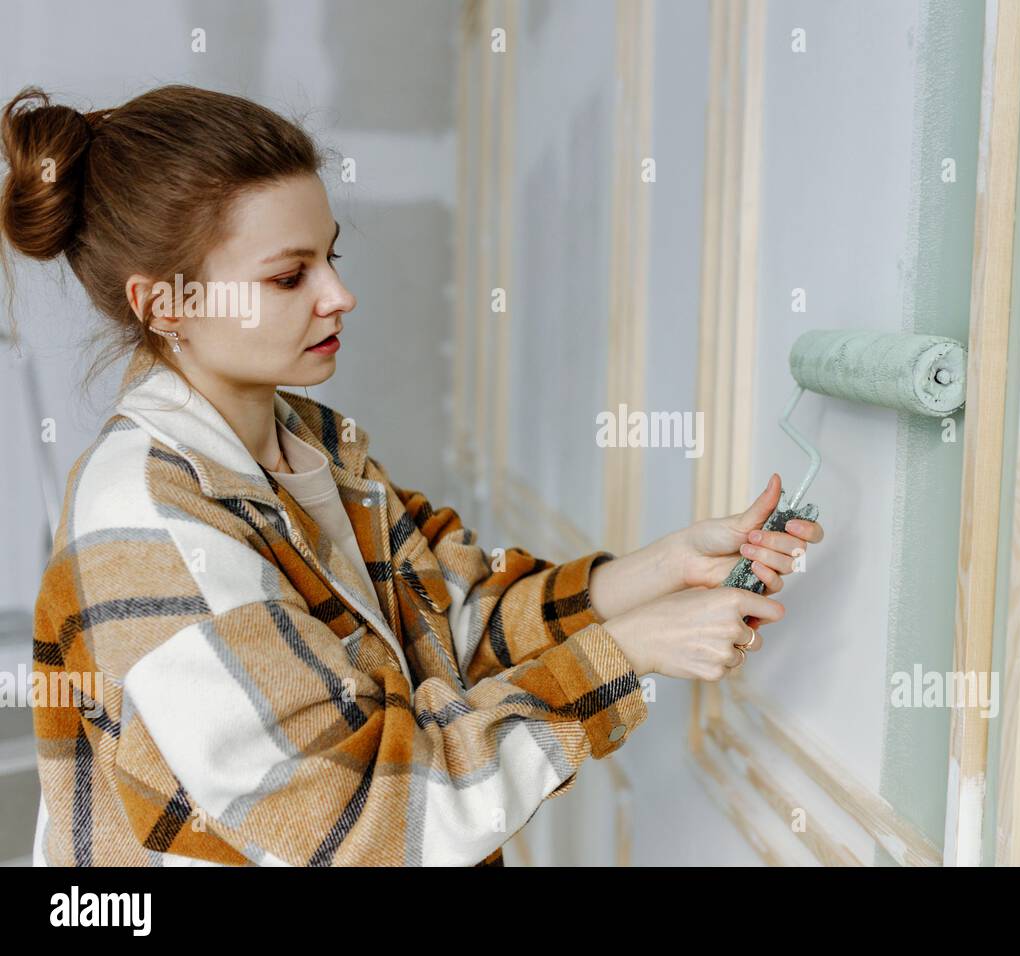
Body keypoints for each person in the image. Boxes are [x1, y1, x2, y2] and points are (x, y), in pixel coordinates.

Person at [1, 84, 823, 866]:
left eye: (330, 257)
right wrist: (624, 653)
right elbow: (369, 823)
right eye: (290, 276)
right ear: (163, 305)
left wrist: (665, 569)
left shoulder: (311, 442)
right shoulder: (149, 525)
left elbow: (454, 623)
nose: (340, 294)